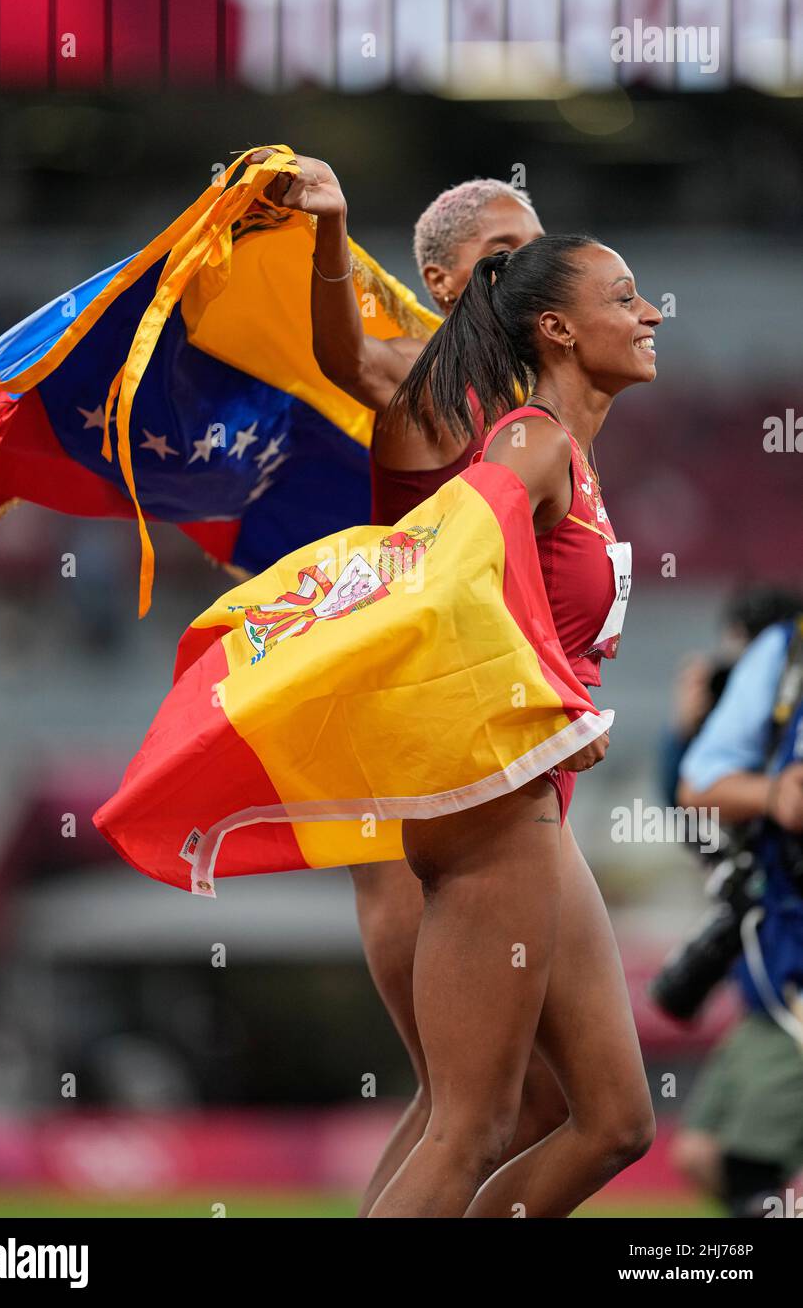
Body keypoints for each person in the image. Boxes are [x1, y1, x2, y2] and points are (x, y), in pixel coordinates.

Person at [96, 233, 660, 1216]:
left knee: (611, 1120)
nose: (649, 311)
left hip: (532, 800)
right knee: (472, 1124)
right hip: (494, 803)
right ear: (559, 329)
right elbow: (448, 553)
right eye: (624, 296)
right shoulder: (525, 440)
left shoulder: (567, 451)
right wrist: (556, 697)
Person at [249, 150, 570, 1212]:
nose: (525, 273)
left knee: (518, 1106)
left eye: (537, 253)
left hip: (504, 763)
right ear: (439, 281)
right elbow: (339, 353)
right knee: (478, 1105)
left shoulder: (540, 402)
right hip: (424, 774)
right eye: (499, 254)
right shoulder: (429, 377)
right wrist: (333, 229)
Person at [672, 615, 803, 1216]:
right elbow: (692, 799)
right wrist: (775, 794)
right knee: (706, 1153)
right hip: (778, 958)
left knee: (747, 1164)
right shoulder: (788, 656)